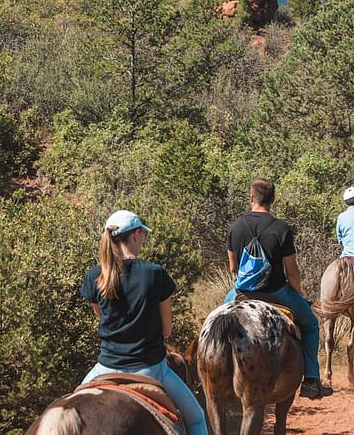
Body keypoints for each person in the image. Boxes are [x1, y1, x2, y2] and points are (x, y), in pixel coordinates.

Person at [80, 210, 208, 435]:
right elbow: (166, 331)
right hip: (150, 369)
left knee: (70, 404)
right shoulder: (155, 274)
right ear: (136, 235)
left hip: (106, 367)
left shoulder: (95, 276)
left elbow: (102, 318)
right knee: (197, 418)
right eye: (143, 235)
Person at [225, 178, 333, 399]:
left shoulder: (234, 228)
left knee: (214, 323)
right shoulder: (281, 229)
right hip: (276, 292)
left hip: (241, 293)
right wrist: (299, 295)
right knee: (311, 325)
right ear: (273, 200)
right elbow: (292, 272)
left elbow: (233, 268)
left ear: (251, 198)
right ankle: (311, 381)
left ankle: (213, 377)